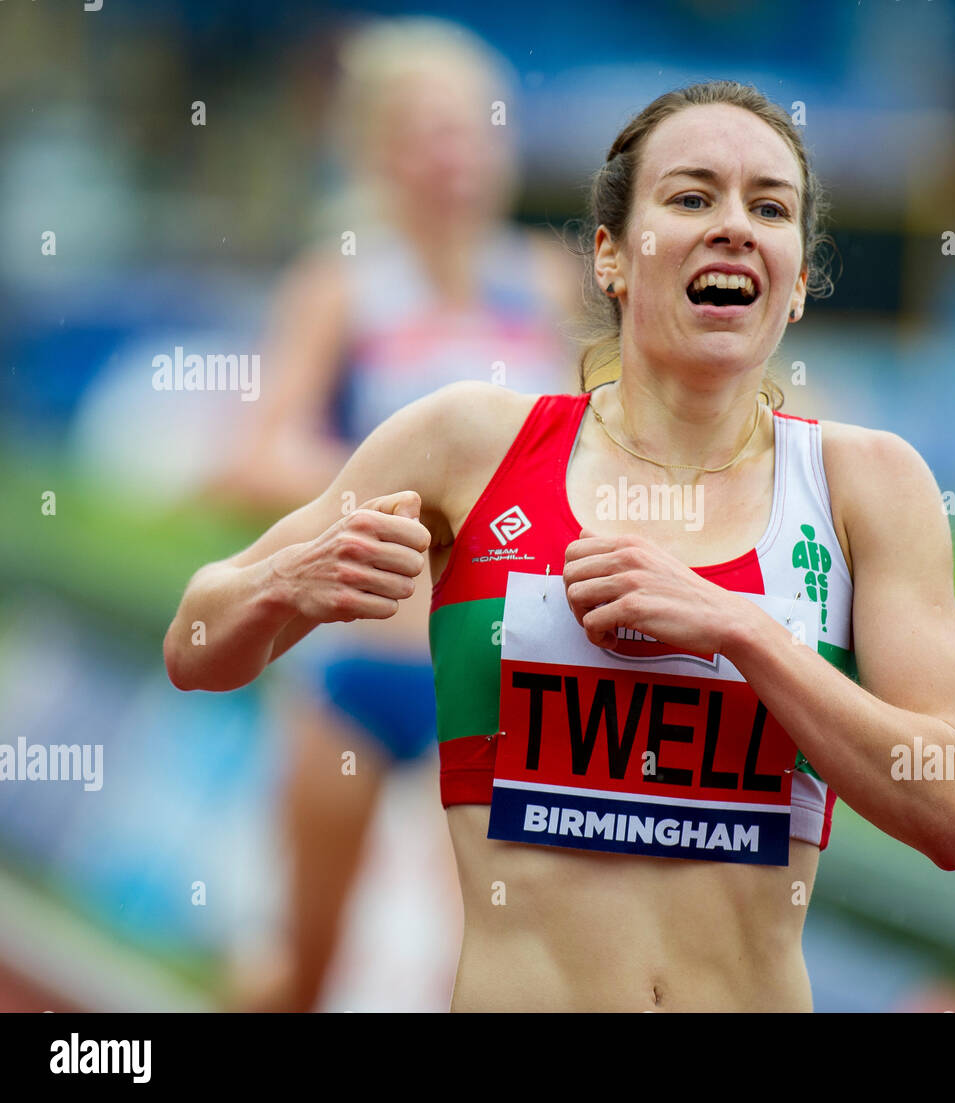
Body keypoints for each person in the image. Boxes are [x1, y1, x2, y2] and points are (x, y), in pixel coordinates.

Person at [167, 79, 955, 1012]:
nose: (734, 226)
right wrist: (288, 579)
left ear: (797, 278)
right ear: (610, 258)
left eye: (770, 207)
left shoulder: (868, 485)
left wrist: (741, 630)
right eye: (691, 198)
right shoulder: (466, 442)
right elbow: (194, 647)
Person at [203, 18, 580, 1011]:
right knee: (306, 972)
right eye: (423, 132)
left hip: (504, 677)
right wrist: (415, 488)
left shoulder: (542, 282)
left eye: (470, 130)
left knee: (495, 978)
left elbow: (594, 457)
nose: (452, 156)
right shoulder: (342, 288)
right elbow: (252, 459)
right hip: (360, 672)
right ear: (376, 151)